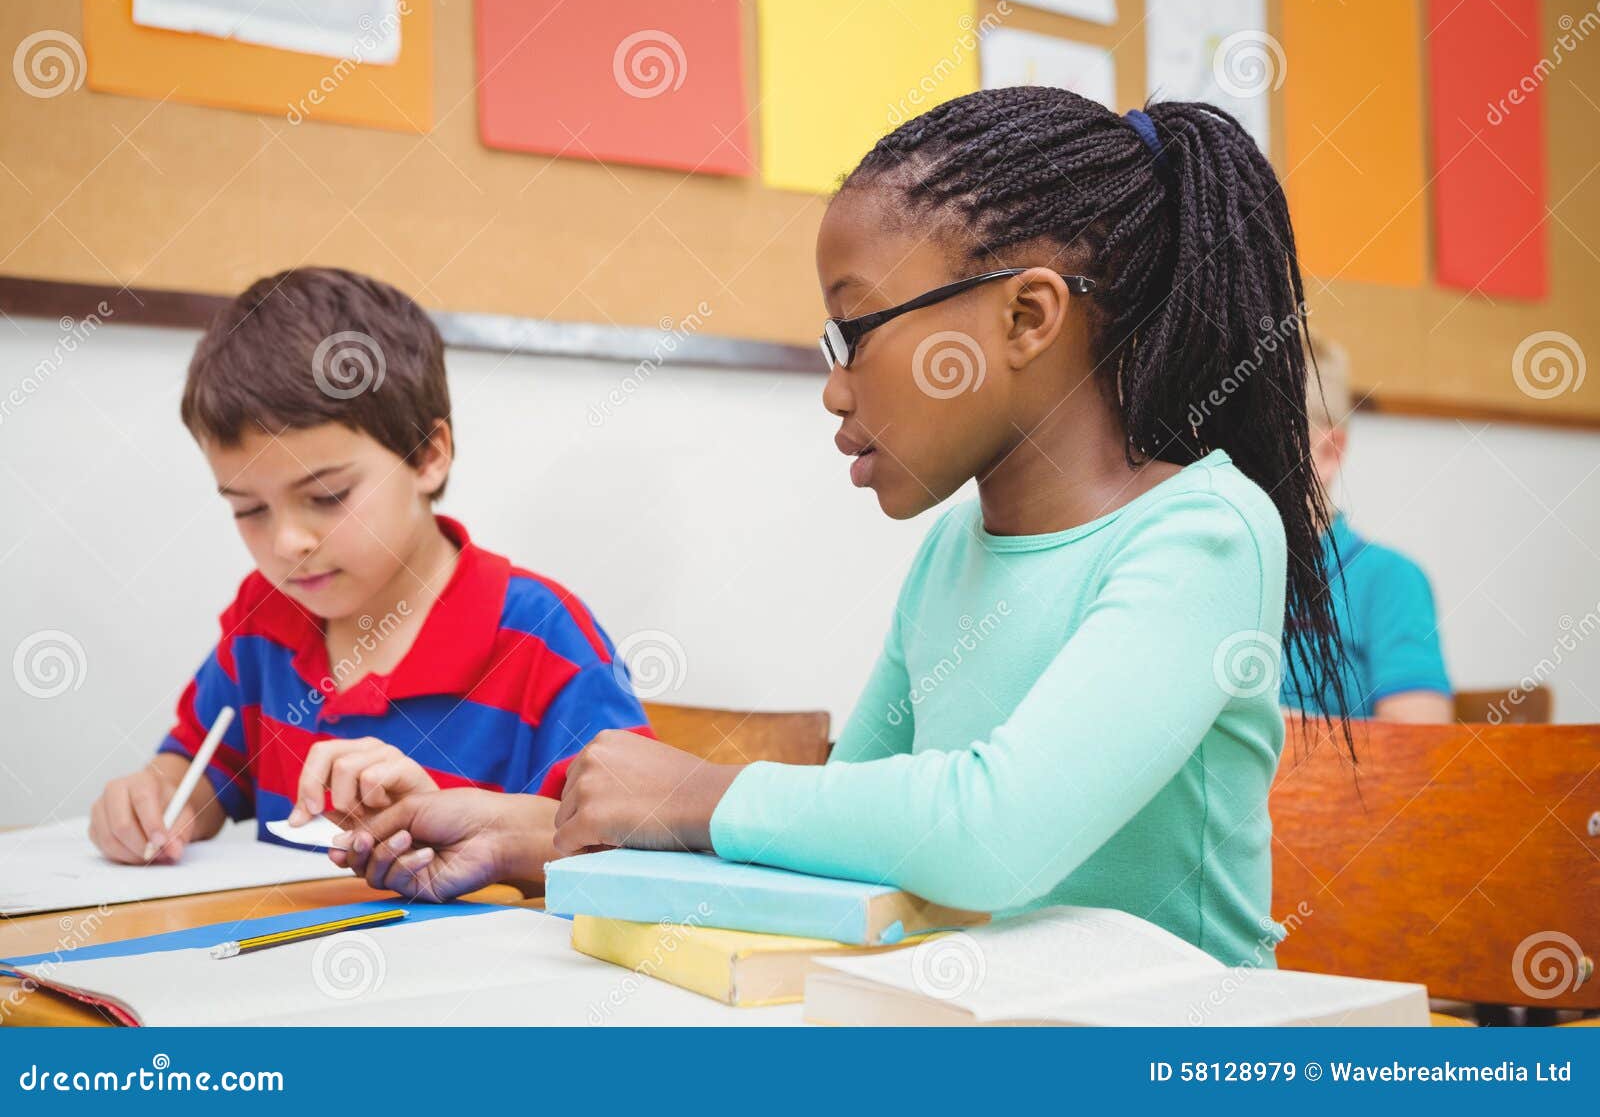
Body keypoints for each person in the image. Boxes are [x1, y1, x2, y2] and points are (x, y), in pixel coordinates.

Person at [334, 88, 1354, 965]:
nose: (831, 388)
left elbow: (991, 832)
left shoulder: (1205, 532)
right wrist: (541, 828)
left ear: (1027, 317)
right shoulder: (954, 551)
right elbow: (854, 822)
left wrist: (694, 787)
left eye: (854, 330)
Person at [88, 268, 649, 868]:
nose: (287, 542)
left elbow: (627, 836)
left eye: (327, 496)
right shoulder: (265, 620)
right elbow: (202, 765)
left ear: (428, 456)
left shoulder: (541, 637)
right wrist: (155, 797)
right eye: (249, 509)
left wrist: (468, 827)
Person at [1280, 335, 1452, 722]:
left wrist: (1259, 729)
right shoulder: (1210, 572)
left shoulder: (1389, 580)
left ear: (1326, 452)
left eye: (1263, 446)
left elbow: (1419, 748)